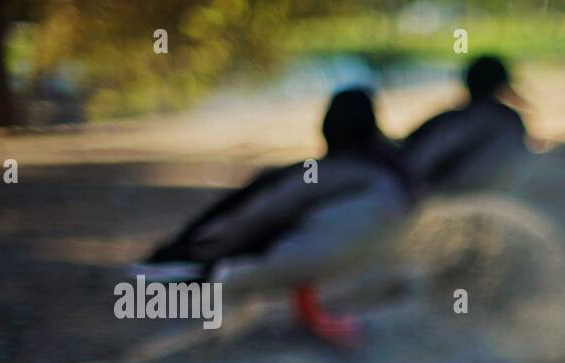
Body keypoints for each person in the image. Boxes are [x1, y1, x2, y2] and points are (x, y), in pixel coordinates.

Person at [142, 88, 411, 348]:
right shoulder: (369, 181)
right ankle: (309, 315)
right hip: (247, 252)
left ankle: (307, 309)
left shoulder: (331, 172)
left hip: (260, 243)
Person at [399, 55, 529, 192]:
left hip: (439, 195)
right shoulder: (508, 122)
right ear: (502, 83)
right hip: (473, 196)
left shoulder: (445, 121)